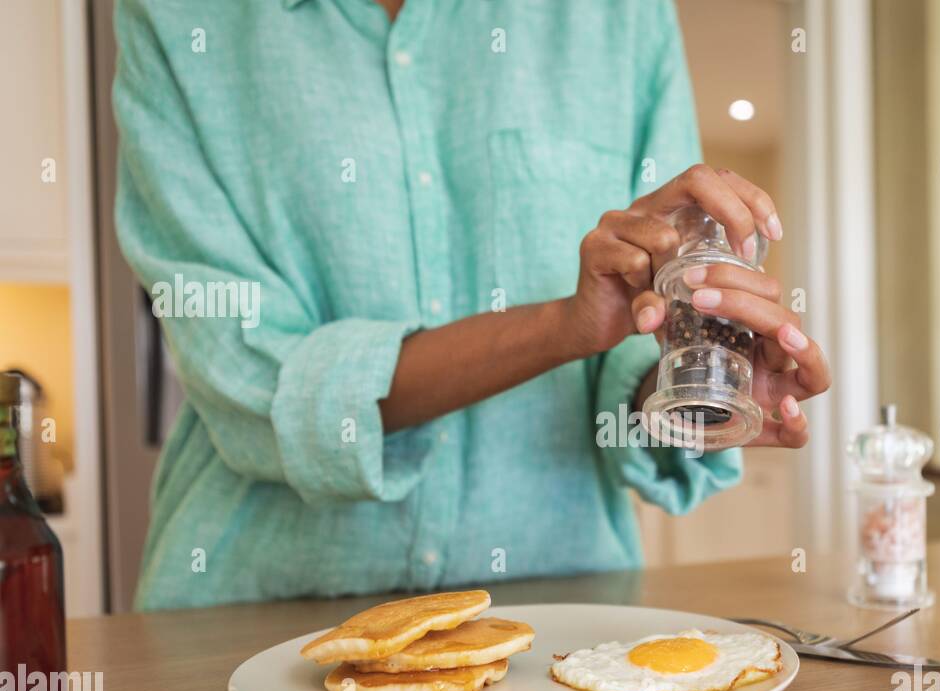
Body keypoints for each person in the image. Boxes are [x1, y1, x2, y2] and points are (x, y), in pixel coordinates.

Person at [113, 0, 830, 610]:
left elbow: (642, 333)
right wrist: (558, 327)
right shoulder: (179, 19)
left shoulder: (621, 15)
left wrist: (694, 388)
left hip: (557, 640)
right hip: (252, 623)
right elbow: (258, 388)